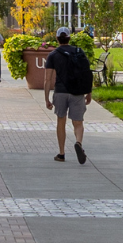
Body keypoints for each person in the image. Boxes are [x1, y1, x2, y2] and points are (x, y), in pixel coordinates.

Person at [43, 26, 93, 164]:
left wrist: (47, 98)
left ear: (57, 38)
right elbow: (87, 73)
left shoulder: (53, 55)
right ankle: (78, 142)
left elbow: (48, 79)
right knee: (78, 122)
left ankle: (61, 153)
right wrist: (89, 92)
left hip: (60, 92)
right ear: (70, 38)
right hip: (77, 92)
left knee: (61, 121)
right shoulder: (79, 52)